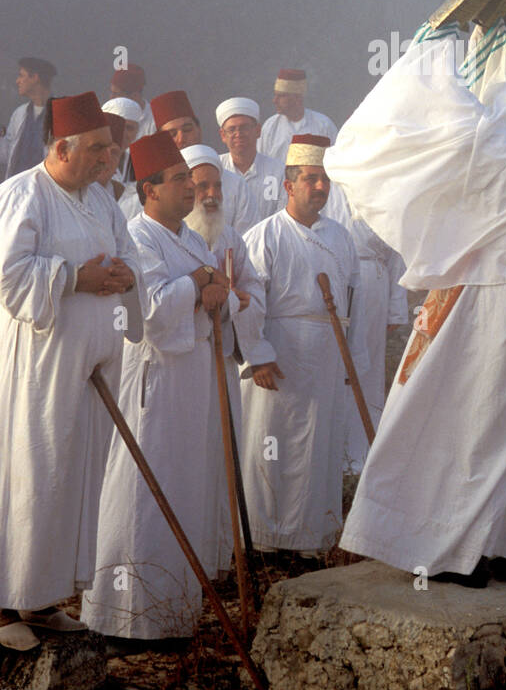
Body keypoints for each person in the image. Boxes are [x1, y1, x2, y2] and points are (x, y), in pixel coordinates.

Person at [327, 19, 506, 587]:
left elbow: (455, 144)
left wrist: (430, 52)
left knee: (476, 421)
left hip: (495, 306)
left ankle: (458, 550)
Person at [0, 92, 140, 651]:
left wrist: (123, 275)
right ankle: (6, 602)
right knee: (32, 477)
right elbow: (10, 277)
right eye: (100, 149)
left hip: (90, 374)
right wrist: (74, 278)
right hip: (39, 370)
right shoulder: (22, 194)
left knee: (69, 481)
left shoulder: (101, 199)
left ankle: (42, 598)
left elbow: (127, 252)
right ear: (63, 147)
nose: (110, 158)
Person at [81, 131, 231, 641]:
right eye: (179, 180)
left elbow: (207, 289)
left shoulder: (190, 237)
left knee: (186, 482)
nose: (191, 188)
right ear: (149, 190)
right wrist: (201, 285)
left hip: (193, 380)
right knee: (143, 486)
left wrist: (214, 289)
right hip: (156, 377)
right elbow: (151, 309)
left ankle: (173, 610)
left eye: (191, 179)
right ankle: (123, 614)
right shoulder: (137, 236)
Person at [240, 134, 360, 558]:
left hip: (327, 358)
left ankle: (313, 538)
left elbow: (351, 301)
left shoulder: (342, 238)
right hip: (280, 357)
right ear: (288, 185)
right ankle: (267, 540)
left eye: (325, 179)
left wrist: (348, 362)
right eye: (311, 179)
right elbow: (249, 306)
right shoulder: (264, 236)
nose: (320, 187)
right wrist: (258, 357)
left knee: (319, 445)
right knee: (274, 444)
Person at [181, 144, 279, 576]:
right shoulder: (169, 236)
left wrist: (238, 302)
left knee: (221, 458)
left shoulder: (233, 236)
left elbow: (254, 290)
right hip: (182, 366)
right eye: (201, 186)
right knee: (188, 460)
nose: (211, 195)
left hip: (220, 362)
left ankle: (220, 558)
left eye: (216, 185)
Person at [344, 217, 408, 474]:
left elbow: (396, 253)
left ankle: (362, 450)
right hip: (331, 277)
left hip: (371, 283)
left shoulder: (381, 191)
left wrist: (396, 308)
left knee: (367, 366)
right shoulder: (324, 189)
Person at [151, 89, 259, 234]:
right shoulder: (156, 189)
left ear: (199, 130)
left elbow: (247, 241)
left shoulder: (236, 185)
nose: (181, 139)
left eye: (187, 130)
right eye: (172, 134)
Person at [216, 96, 285, 224]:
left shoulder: (279, 171)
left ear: (258, 131)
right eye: (231, 129)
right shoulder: (214, 169)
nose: (238, 134)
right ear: (223, 135)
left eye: (244, 128)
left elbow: (283, 217)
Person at [258, 68, 337, 161]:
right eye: (275, 95)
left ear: (297, 98)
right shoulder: (270, 126)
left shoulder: (324, 125)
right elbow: (261, 160)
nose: (274, 100)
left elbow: (336, 160)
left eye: (281, 96)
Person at [3, 56, 57, 181]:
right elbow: (7, 152)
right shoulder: (20, 113)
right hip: (17, 189)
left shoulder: (61, 113)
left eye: (22, 75)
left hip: (46, 191)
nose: (17, 81)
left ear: (35, 77)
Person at [109, 64, 155, 139]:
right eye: (111, 92)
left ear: (135, 96)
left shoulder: (154, 121)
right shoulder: (107, 114)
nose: (111, 98)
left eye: (116, 94)